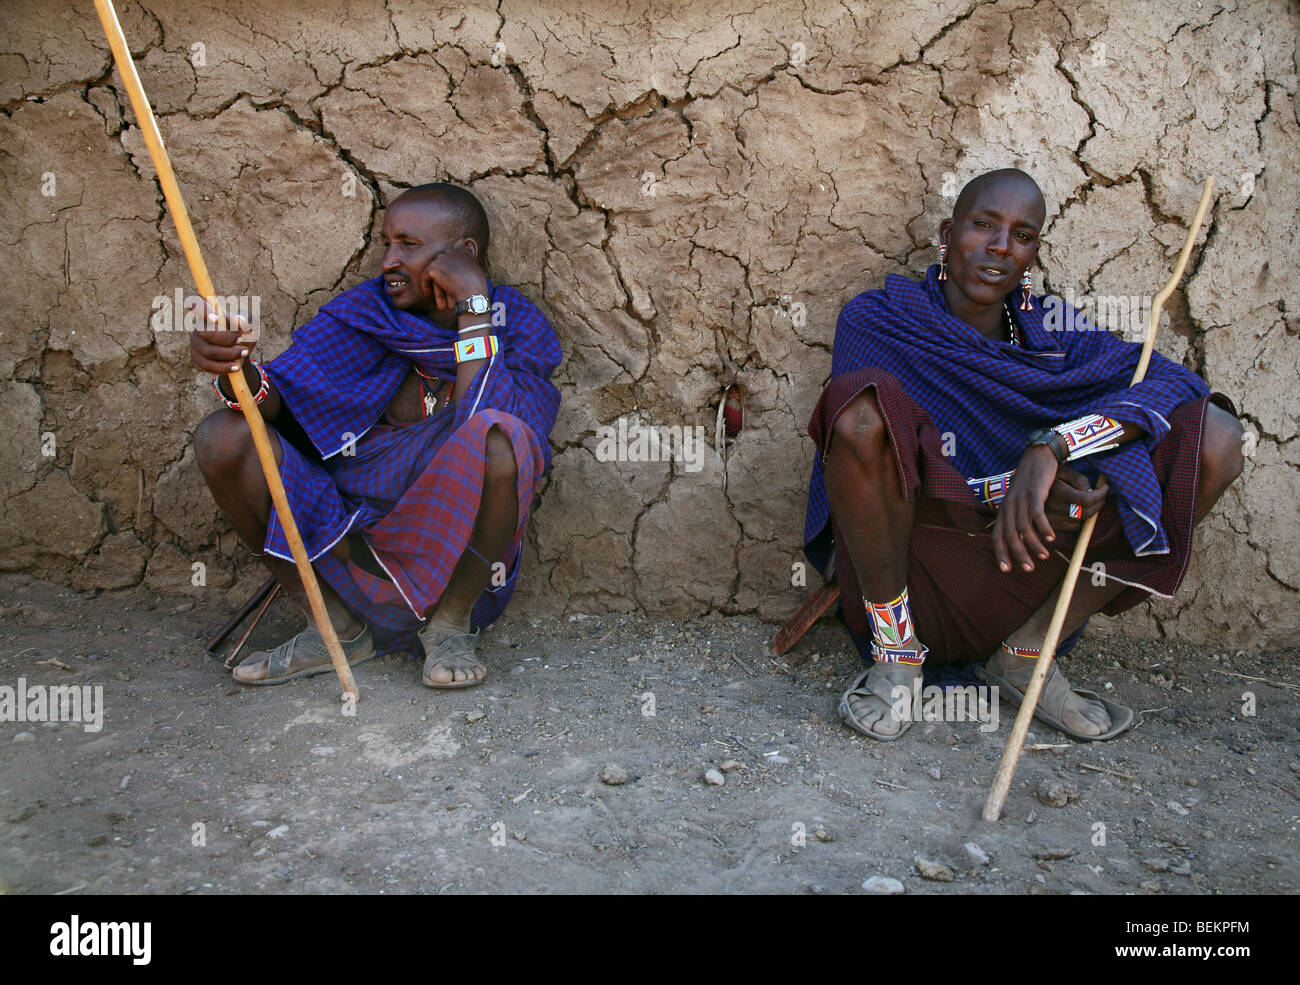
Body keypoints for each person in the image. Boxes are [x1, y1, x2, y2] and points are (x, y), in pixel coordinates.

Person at [803, 168, 1242, 741]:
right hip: (915, 573)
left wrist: (1056, 447)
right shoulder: (881, 320)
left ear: (1034, 251)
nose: (1000, 248)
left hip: (1027, 569)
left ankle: (1027, 655)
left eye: (1022, 234)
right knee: (860, 410)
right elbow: (869, 447)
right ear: (947, 231)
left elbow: (1174, 384)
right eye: (983, 225)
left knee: (1214, 437)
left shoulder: (1056, 342)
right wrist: (1008, 484)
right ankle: (896, 660)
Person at [190, 183, 561, 689]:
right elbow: (285, 407)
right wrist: (236, 368)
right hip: (349, 539)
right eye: (386, 243)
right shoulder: (366, 314)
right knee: (223, 436)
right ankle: (335, 627)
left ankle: (450, 625)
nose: (388, 260)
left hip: (452, 552)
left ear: (462, 254)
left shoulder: (516, 325)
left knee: (502, 439)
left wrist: (473, 310)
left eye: (407, 245)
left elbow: (494, 421)